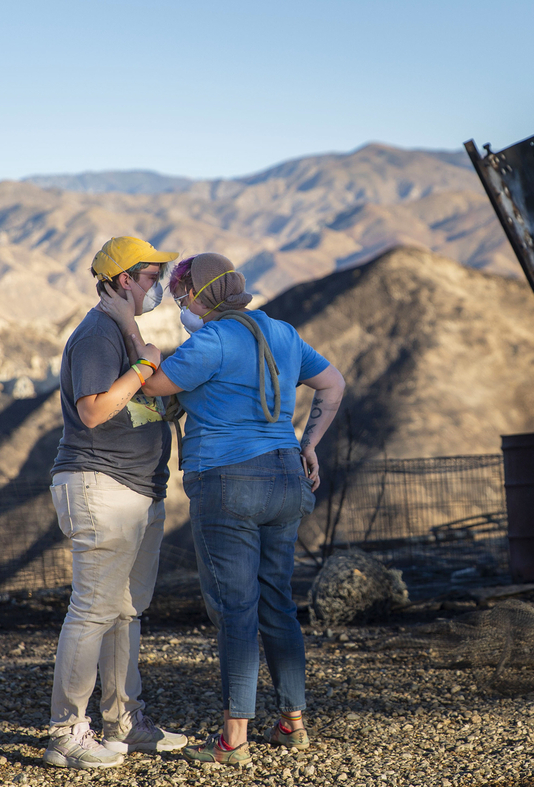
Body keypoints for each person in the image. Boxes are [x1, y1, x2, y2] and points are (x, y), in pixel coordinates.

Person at [127, 252, 345, 767]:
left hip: (227, 481)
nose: (181, 304)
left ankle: (233, 740)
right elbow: (332, 384)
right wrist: (309, 444)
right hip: (287, 477)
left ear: (201, 295)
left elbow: (154, 387)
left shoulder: (212, 340)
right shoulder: (284, 333)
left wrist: (144, 347)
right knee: (278, 603)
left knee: (235, 609)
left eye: (182, 296)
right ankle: (293, 723)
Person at [43, 236, 189, 769]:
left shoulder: (123, 332)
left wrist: (148, 364)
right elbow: (94, 411)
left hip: (138, 489)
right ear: (123, 279)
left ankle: (124, 723)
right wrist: (146, 366)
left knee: (126, 612)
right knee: (92, 611)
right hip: (101, 485)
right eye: (151, 278)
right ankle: (66, 732)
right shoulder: (97, 336)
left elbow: (142, 408)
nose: (159, 288)